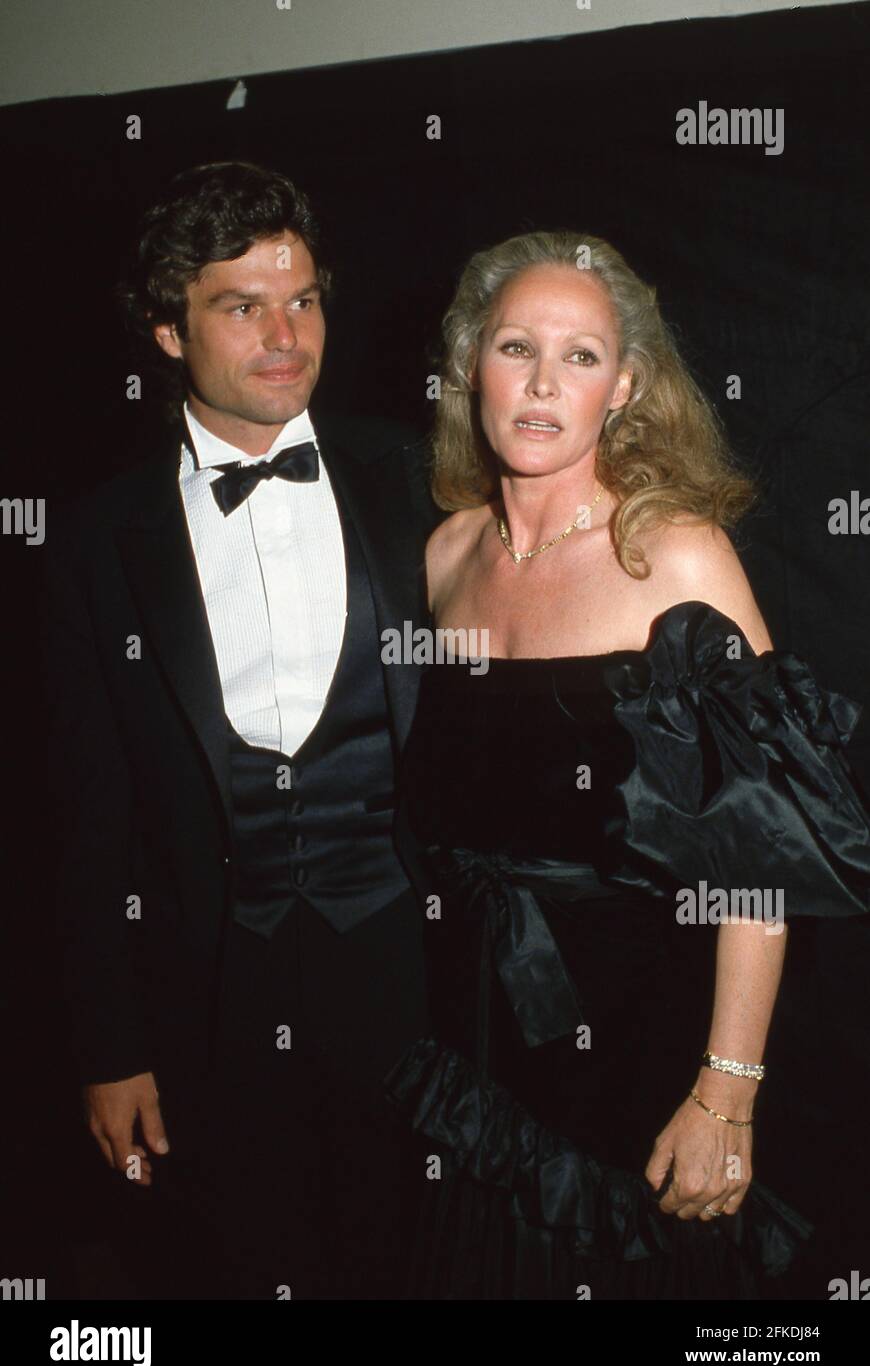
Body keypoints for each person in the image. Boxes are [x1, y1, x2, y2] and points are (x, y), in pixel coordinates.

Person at [385, 229, 870, 1299]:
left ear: (628, 386)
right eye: (517, 346)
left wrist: (726, 1093)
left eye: (583, 355)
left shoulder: (678, 556)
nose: (545, 382)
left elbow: (766, 860)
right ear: (472, 366)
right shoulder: (446, 552)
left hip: (642, 1056)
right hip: (476, 1043)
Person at [40, 161, 440, 1299]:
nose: (285, 334)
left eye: (303, 298)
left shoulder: (418, 481)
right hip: (207, 988)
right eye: (241, 305)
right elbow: (82, 820)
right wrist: (108, 1047)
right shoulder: (94, 540)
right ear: (168, 329)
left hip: (407, 973)